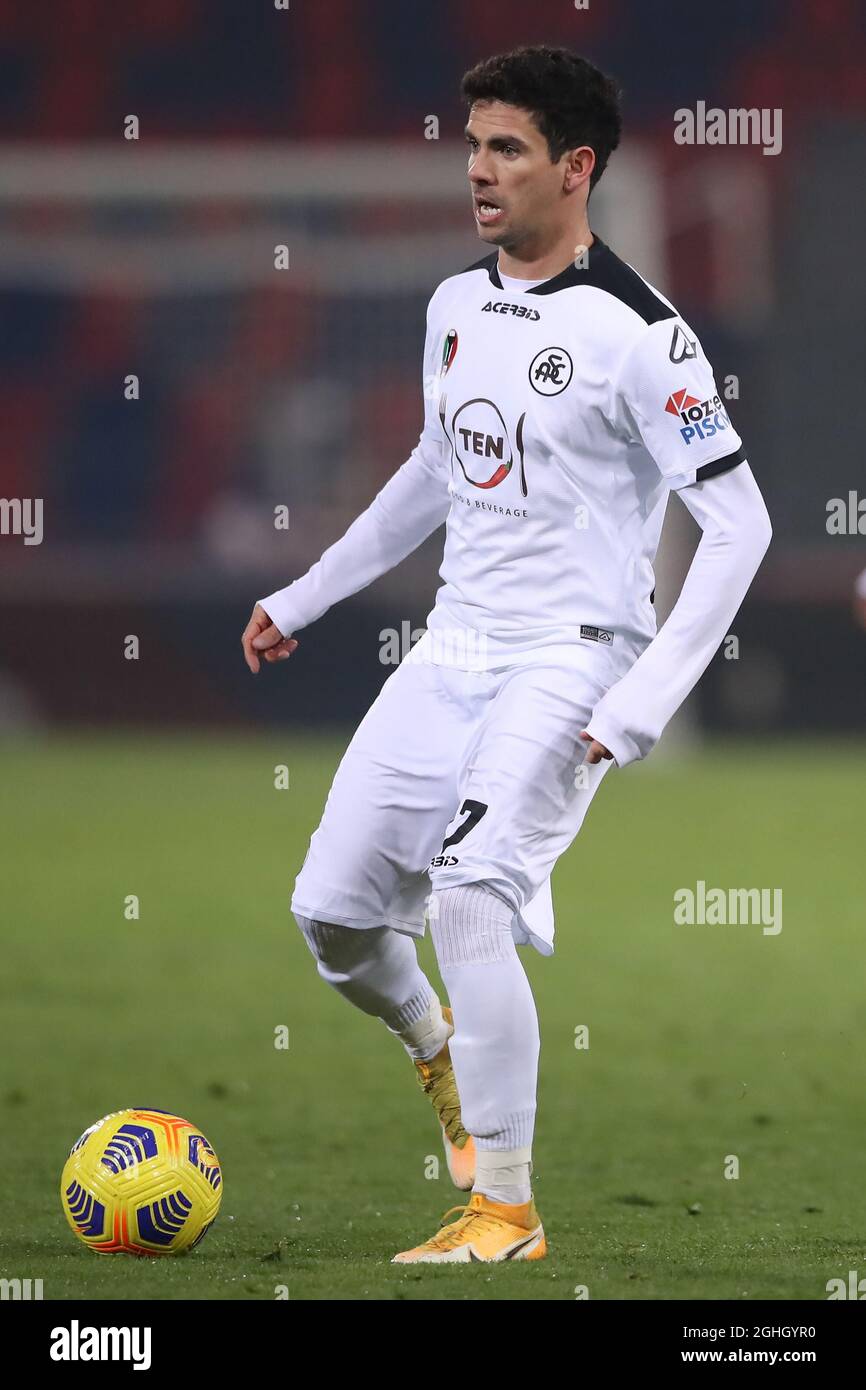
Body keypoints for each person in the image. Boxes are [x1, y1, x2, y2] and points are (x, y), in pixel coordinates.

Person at [241, 45, 772, 1264]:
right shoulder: (451, 306)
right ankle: (438, 1052)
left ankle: (507, 1211)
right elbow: (432, 472)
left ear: (574, 168)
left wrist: (639, 702)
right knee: (330, 917)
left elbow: (739, 525)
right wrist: (308, 593)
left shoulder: (646, 336)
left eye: (506, 149)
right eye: (471, 144)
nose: (476, 170)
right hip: (452, 649)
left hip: (574, 658)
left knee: (472, 896)